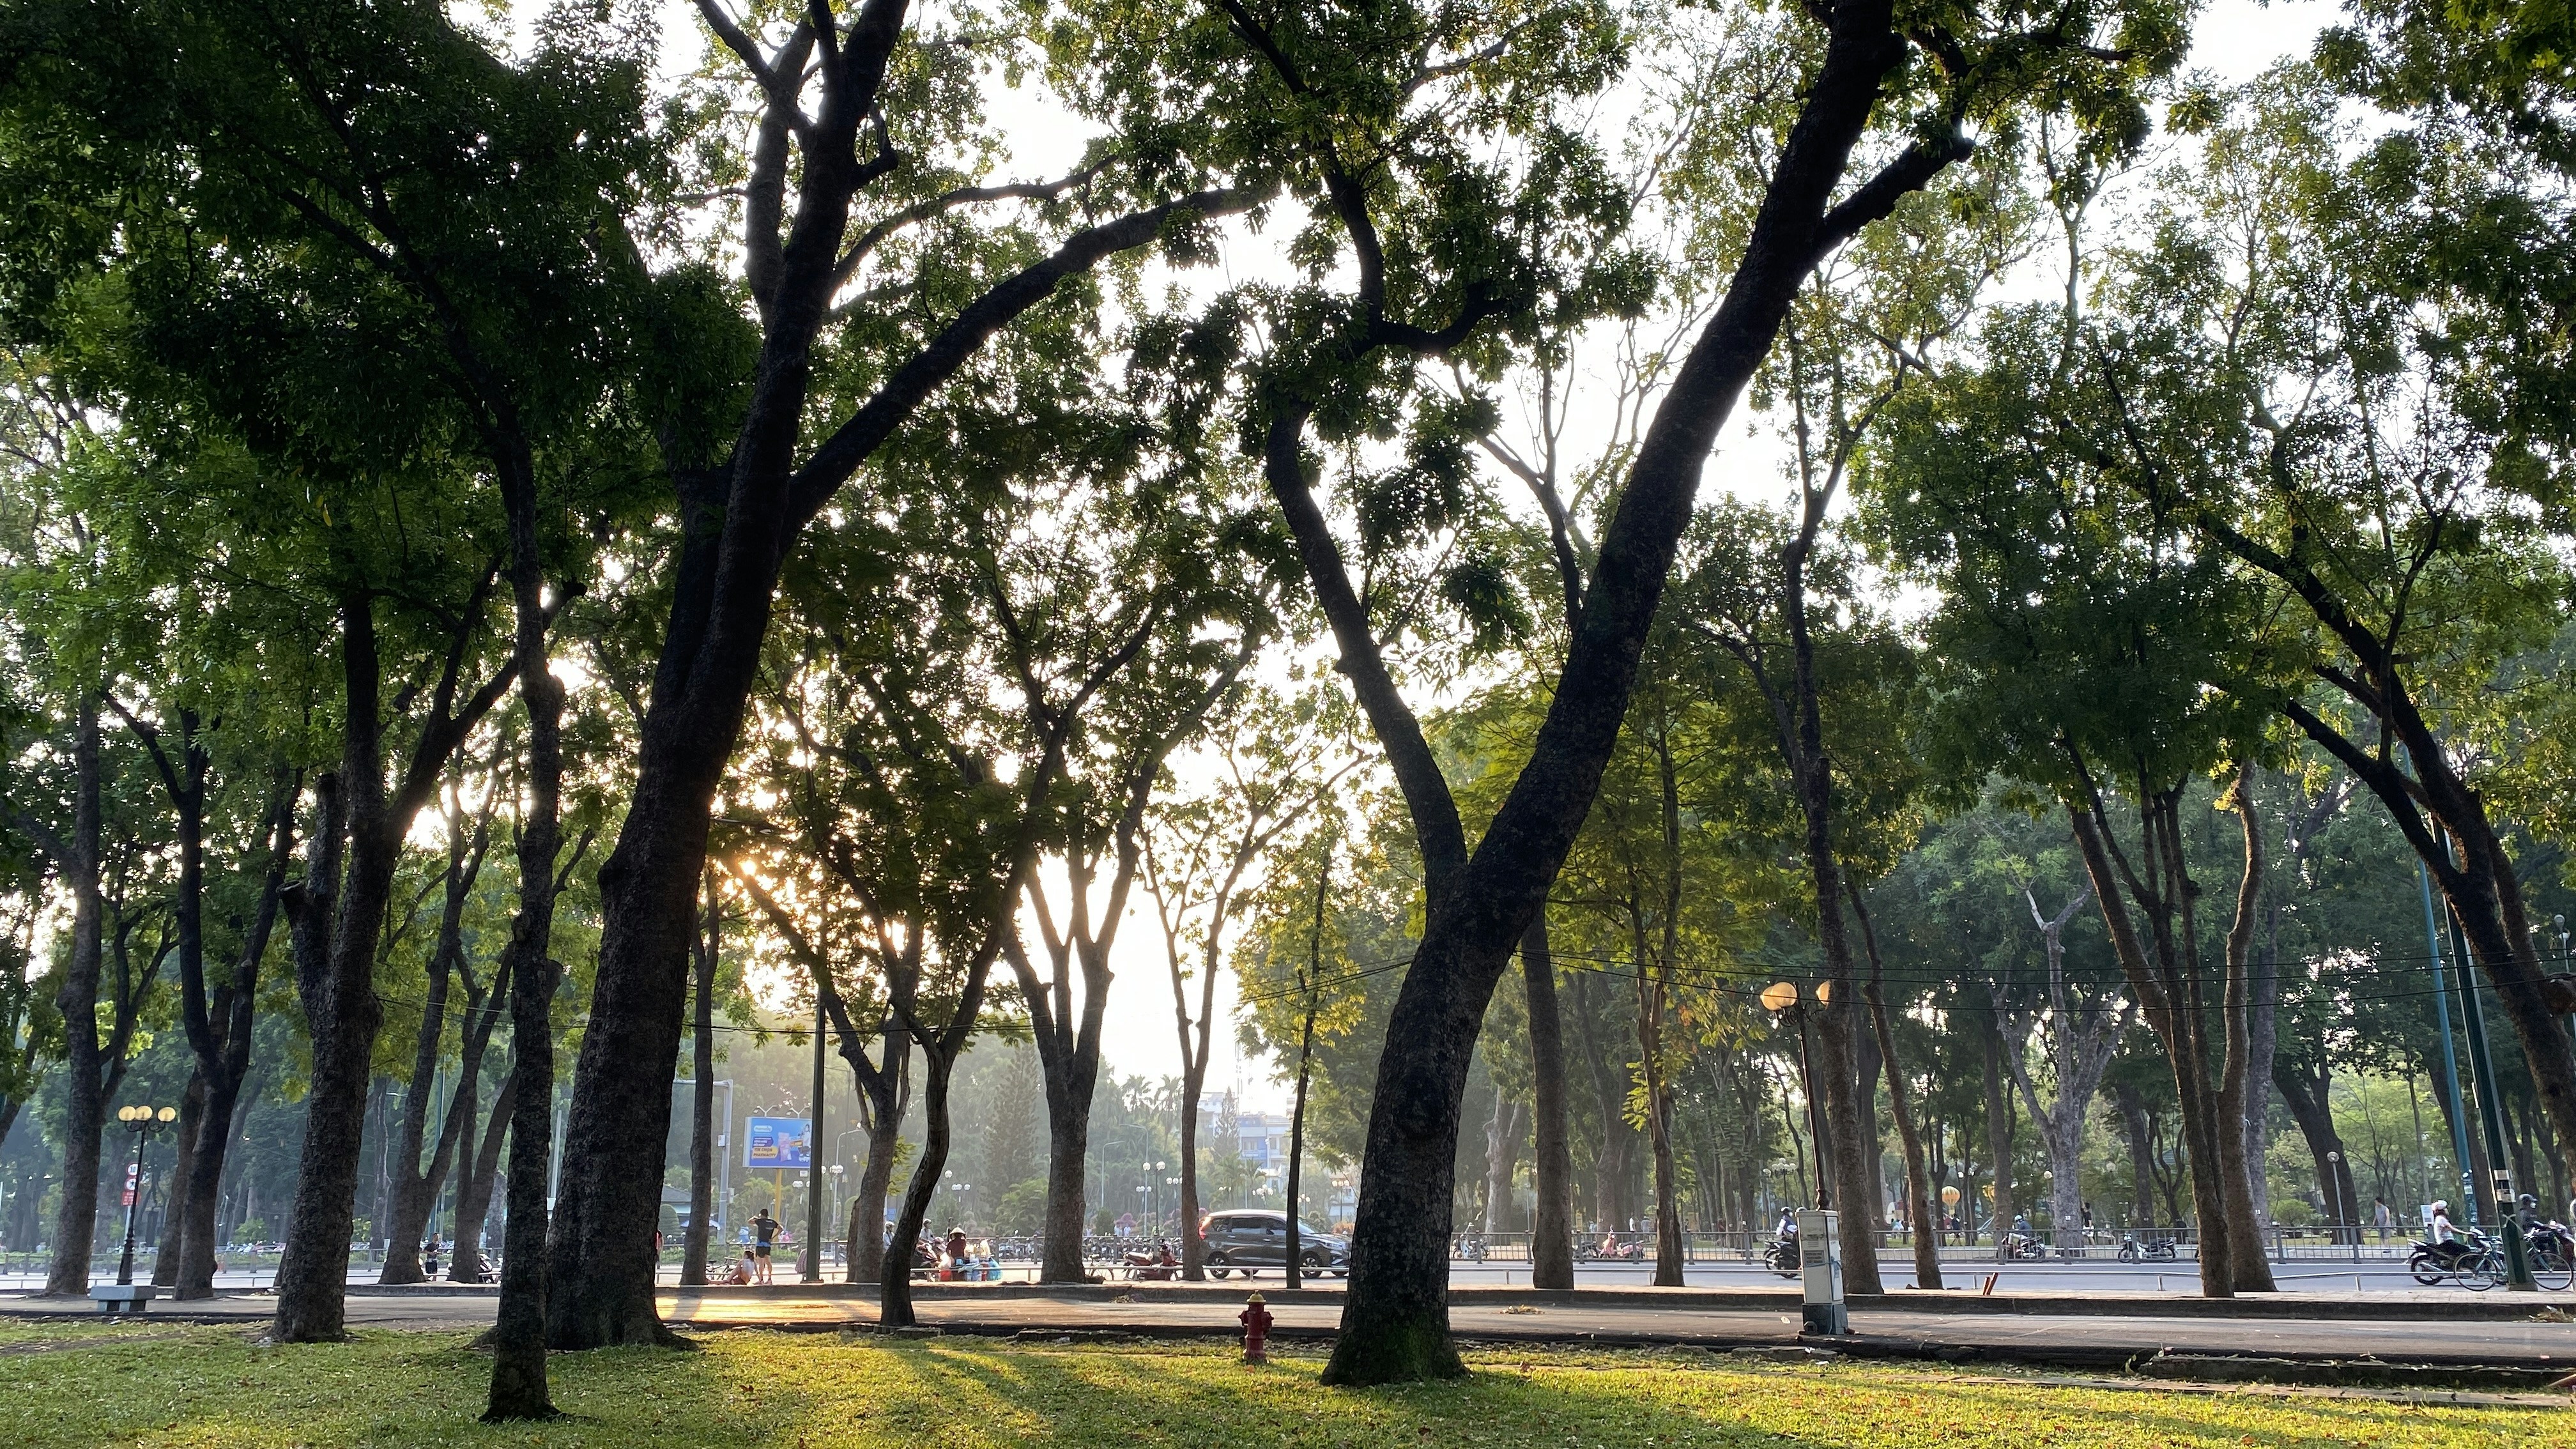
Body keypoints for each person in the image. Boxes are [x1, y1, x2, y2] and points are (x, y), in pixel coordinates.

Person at [752, 1208, 779, 1285]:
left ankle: (761, 1280)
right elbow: (781, 1229)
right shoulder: (772, 1222)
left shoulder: (760, 1221)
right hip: (768, 1244)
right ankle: (770, 1279)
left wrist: (755, 1218)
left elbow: (750, 1222)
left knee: (761, 1263)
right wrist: (773, 1237)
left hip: (760, 1244)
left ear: (761, 1214)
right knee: (768, 1262)